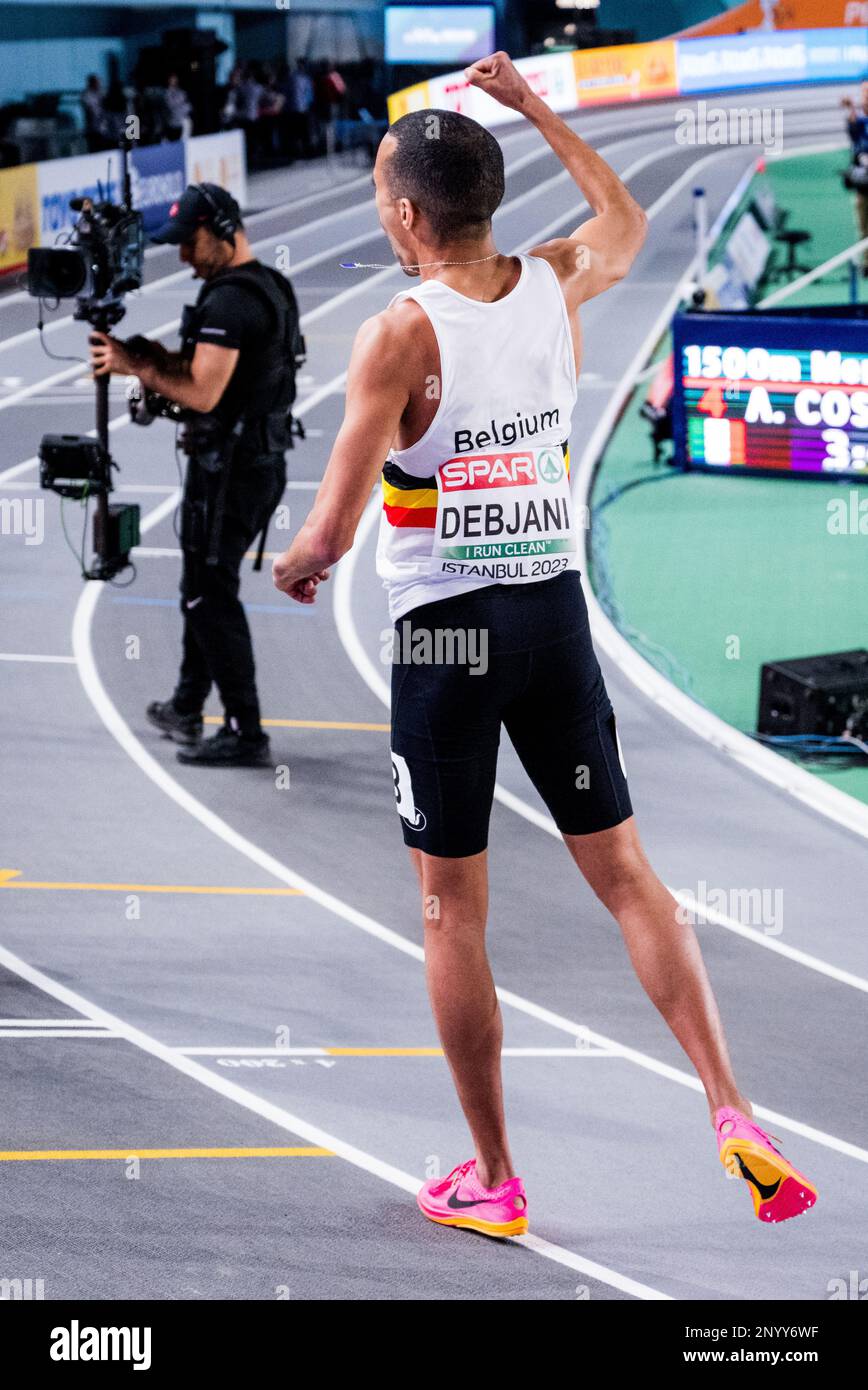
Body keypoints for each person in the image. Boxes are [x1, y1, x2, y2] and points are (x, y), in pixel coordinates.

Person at [271, 52, 818, 1235]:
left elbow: (331, 527)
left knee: (450, 913)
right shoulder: (552, 280)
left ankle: (495, 1177)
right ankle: (729, 1105)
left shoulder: (398, 335)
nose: (376, 202)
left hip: (447, 639)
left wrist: (294, 563)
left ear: (407, 216)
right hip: (553, 619)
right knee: (627, 878)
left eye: (379, 187)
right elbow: (620, 217)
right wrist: (534, 108)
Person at [90, 184, 303, 767]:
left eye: (191, 241)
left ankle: (245, 729)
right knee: (200, 592)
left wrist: (135, 363)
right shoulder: (269, 285)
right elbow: (227, 383)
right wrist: (156, 362)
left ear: (225, 227)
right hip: (252, 462)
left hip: (231, 471)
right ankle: (187, 704)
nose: (183, 255)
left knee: (210, 597)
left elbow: (204, 392)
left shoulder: (230, 302)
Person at [843, 83, 868, 276]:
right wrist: (852, 108)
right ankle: (867, 263)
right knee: (863, 227)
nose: (865, 98)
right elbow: (852, 130)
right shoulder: (860, 122)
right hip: (863, 186)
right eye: (864, 94)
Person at [81, 75, 108, 153]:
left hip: (103, 127)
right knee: (95, 149)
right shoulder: (86, 95)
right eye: (96, 83)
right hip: (93, 128)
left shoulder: (101, 93)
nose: (98, 84)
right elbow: (90, 110)